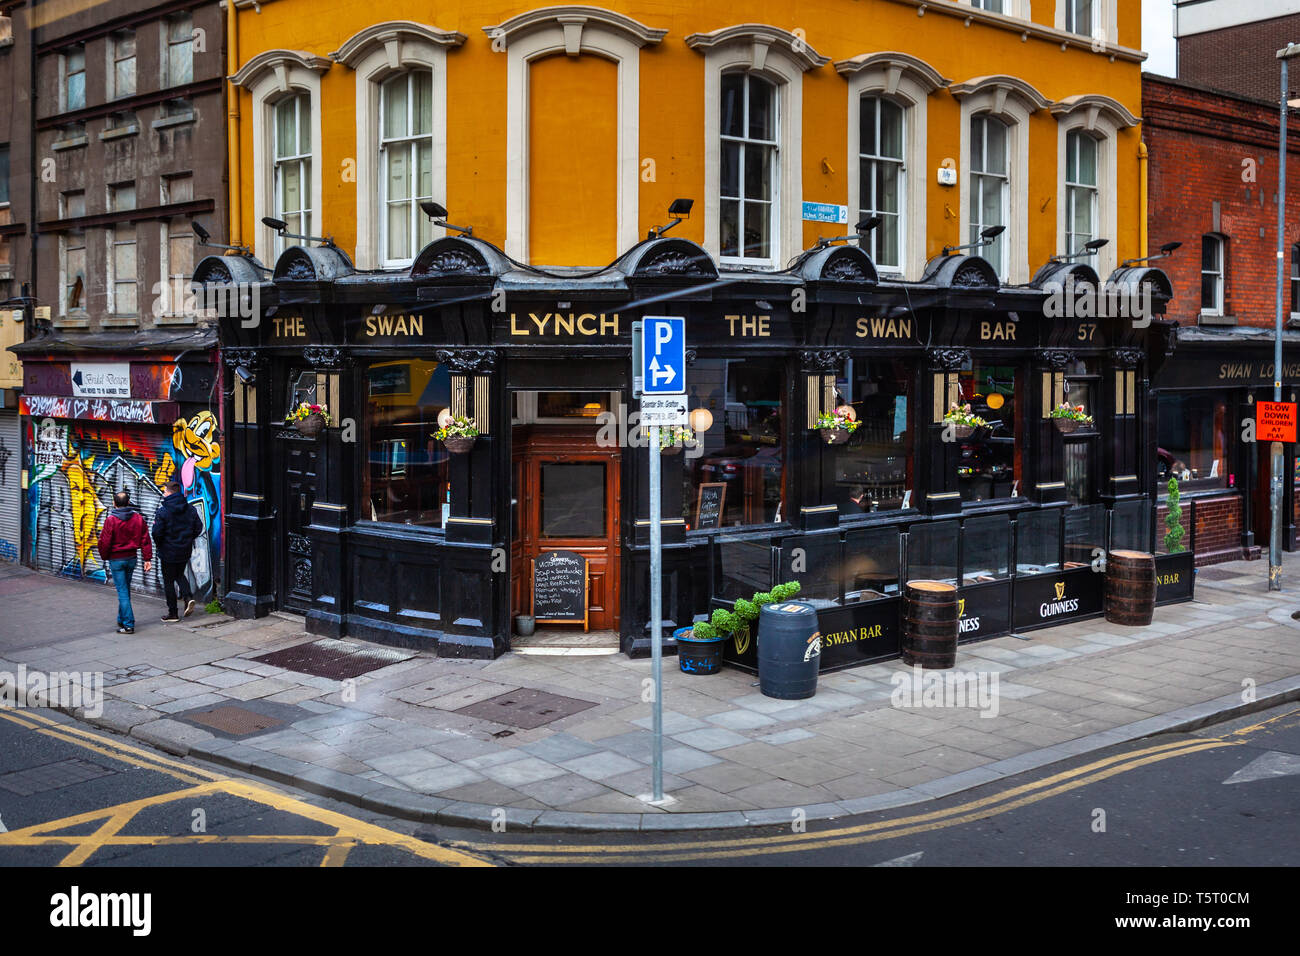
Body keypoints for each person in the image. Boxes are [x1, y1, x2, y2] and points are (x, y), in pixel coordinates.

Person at [97, 490, 152, 634]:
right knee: (125, 589)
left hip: (116, 560)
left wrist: (104, 556)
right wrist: (147, 558)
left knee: (122, 591)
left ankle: (128, 624)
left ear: (114, 504)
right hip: (131, 559)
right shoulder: (138, 518)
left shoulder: (111, 520)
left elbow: (105, 541)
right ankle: (121, 619)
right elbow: (145, 539)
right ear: (128, 502)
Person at [152, 479, 204, 623]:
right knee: (179, 574)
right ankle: (188, 597)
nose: (163, 494)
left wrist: (160, 544)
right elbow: (198, 528)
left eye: (164, 491)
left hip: (168, 551)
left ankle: (173, 613)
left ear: (169, 492)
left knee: (168, 581)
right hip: (184, 550)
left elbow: (157, 532)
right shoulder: (190, 509)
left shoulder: (163, 511)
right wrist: (187, 539)